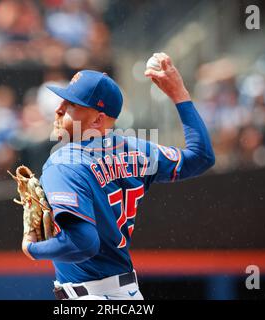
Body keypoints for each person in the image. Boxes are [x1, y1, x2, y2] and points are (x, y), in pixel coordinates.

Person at [21, 52, 215, 300]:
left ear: (98, 119)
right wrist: (180, 95)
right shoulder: (138, 150)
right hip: (128, 295)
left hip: (89, 297)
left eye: (70, 105)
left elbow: (84, 243)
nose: (58, 109)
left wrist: (32, 248)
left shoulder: (63, 163)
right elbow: (201, 157)